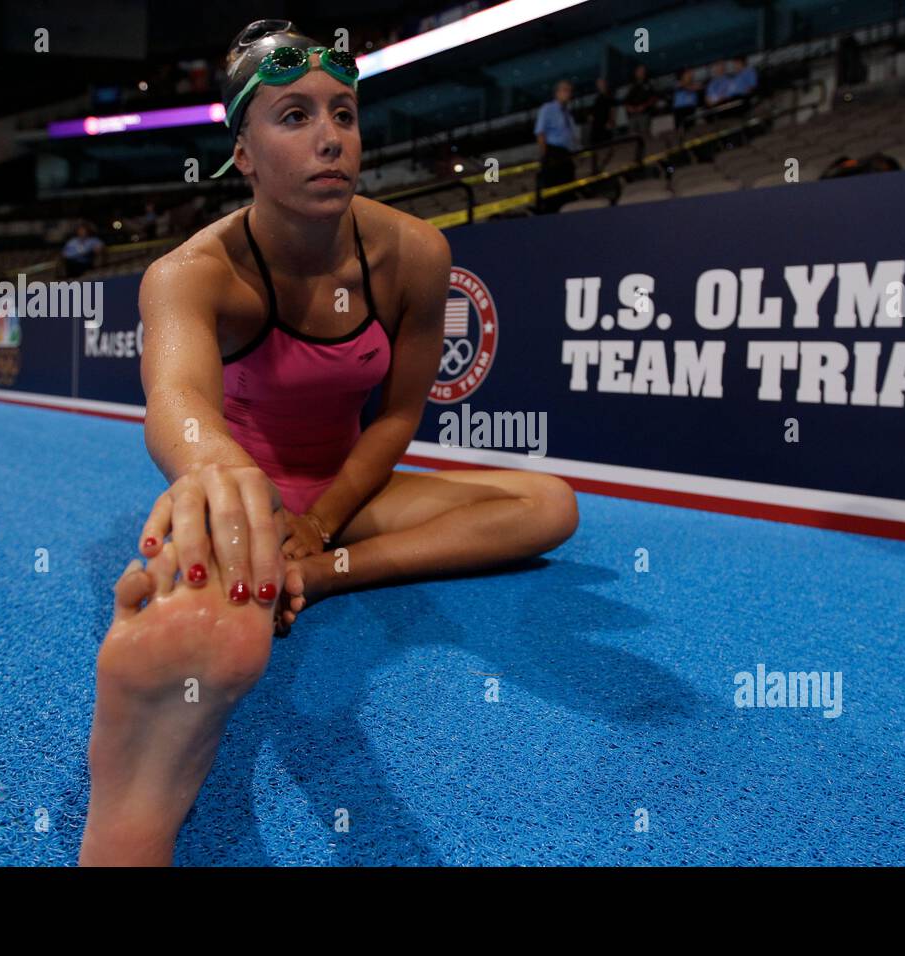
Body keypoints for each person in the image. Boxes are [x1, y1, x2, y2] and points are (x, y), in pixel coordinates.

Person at [80, 19, 579, 866]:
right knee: (203, 581)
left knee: (549, 504)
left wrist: (322, 536)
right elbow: (176, 399)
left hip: (343, 501)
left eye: (343, 115)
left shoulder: (414, 253)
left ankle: (303, 582)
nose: (329, 139)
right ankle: (135, 811)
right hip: (245, 492)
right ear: (243, 153)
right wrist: (219, 472)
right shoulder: (193, 273)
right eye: (295, 117)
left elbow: (394, 418)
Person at [534, 79, 580, 212]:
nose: (568, 94)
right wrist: (544, 155)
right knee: (553, 191)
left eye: (570, 91)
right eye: (565, 90)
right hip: (553, 153)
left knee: (567, 187)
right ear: (557, 92)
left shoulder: (567, 113)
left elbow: (571, 136)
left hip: (566, 153)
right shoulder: (548, 109)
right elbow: (540, 132)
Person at [587, 77, 616, 175]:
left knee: (607, 148)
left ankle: (606, 167)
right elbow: (595, 110)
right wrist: (591, 116)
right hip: (596, 126)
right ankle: (596, 170)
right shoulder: (597, 97)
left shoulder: (609, 95)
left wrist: (611, 121)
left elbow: (612, 109)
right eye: (598, 83)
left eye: (602, 83)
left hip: (605, 125)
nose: (600, 85)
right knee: (595, 149)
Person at [623, 63, 658, 140]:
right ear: (636, 72)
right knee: (633, 136)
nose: (641, 73)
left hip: (644, 113)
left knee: (644, 134)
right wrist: (629, 107)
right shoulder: (631, 85)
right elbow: (626, 100)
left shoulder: (649, 83)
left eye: (643, 71)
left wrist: (644, 106)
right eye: (640, 71)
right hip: (632, 114)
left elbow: (654, 97)